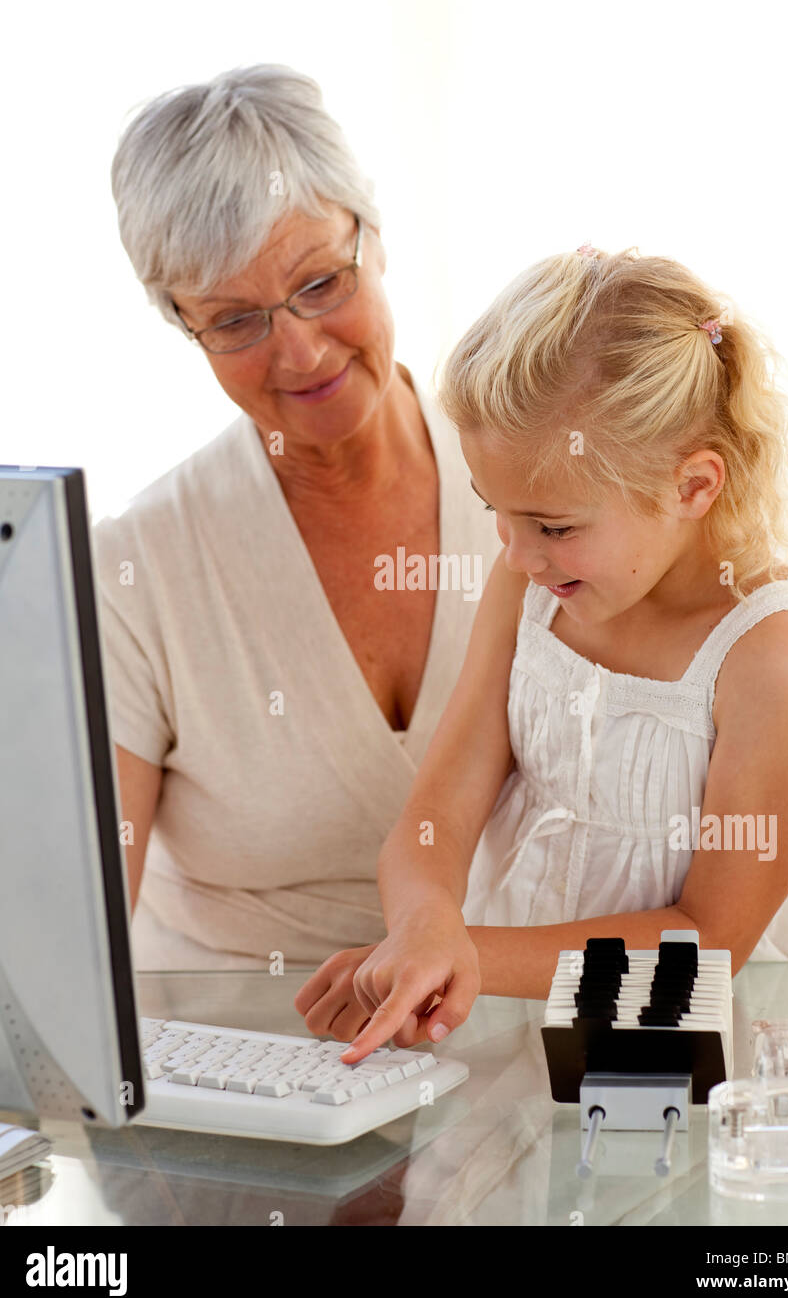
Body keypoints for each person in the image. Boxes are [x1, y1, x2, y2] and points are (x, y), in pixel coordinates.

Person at [295, 243, 788, 1059]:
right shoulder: (531, 590)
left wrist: (460, 953)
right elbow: (434, 817)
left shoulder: (776, 656)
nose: (517, 555)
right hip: (505, 1038)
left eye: (553, 526)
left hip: (700, 1073)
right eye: (497, 512)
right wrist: (421, 929)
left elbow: (709, 940)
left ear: (692, 486)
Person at [93, 63, 499, 970]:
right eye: (235, 322)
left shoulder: (545, 498)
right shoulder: (133, 569)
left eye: (321, 283)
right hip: (235, 1059)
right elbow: (76, 934)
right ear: (182, 325)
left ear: (376, 239)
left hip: (506, 1032)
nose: (301, 350)